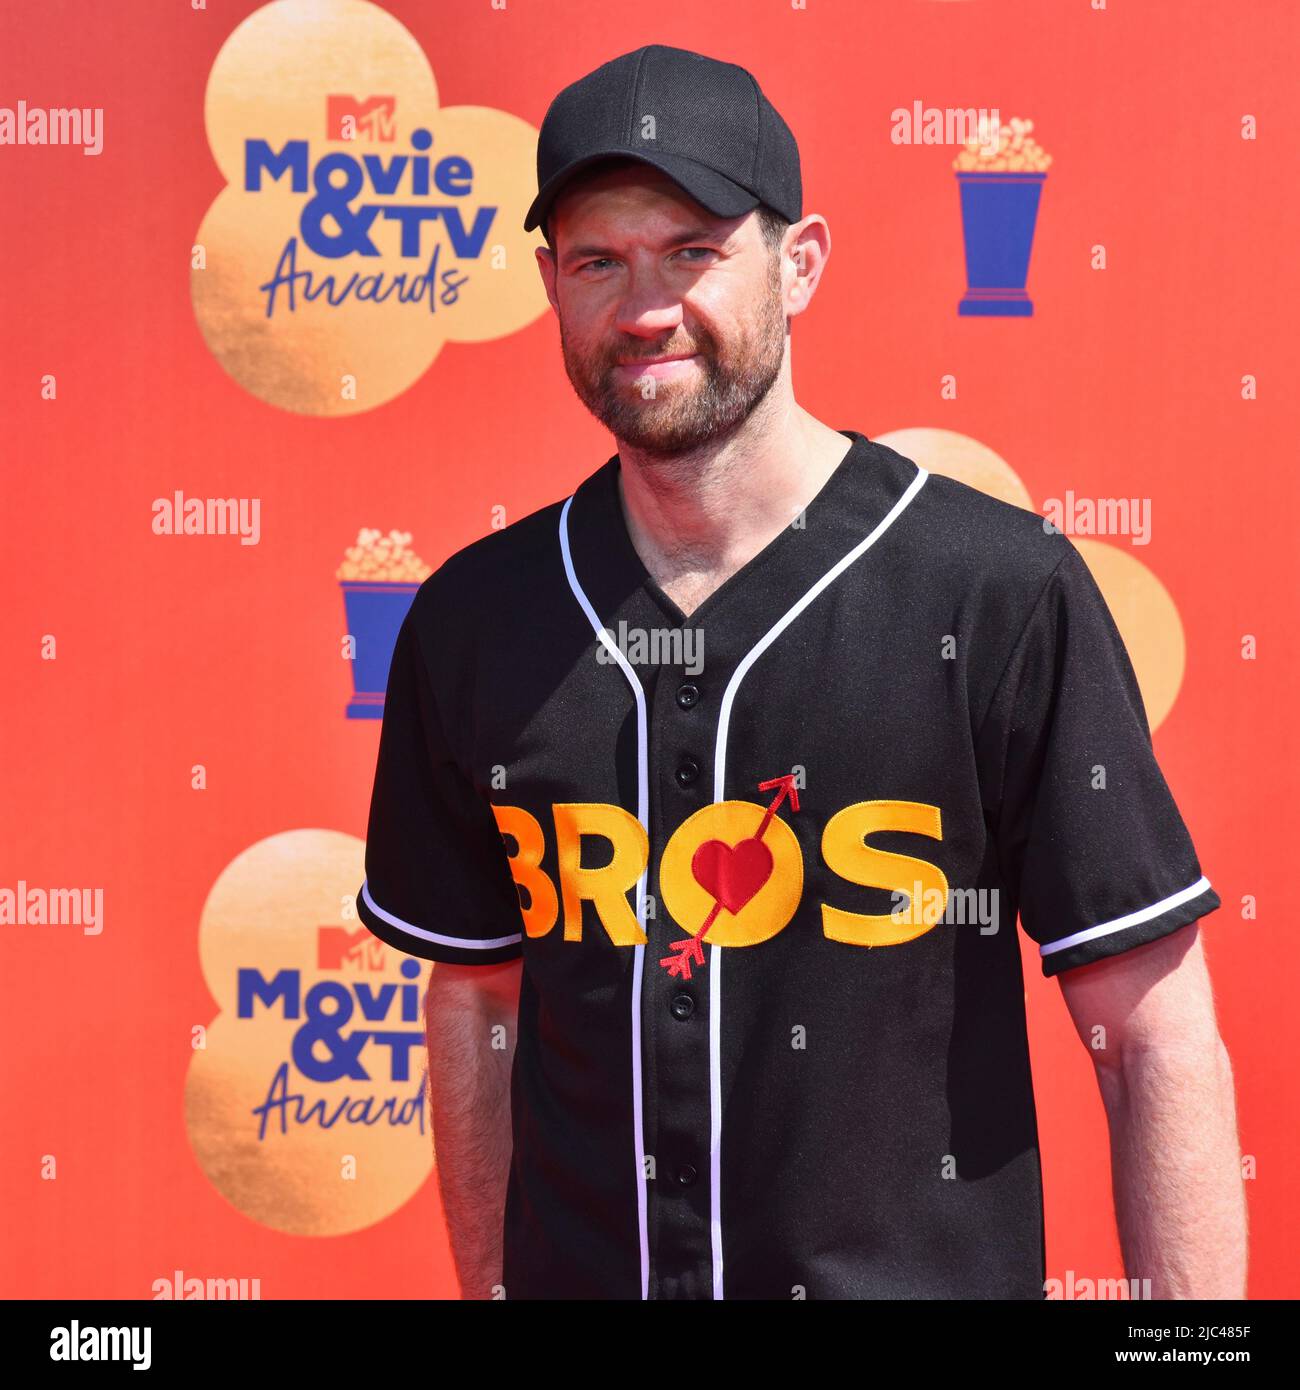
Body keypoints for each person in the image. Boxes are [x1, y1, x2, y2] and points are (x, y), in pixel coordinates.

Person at [356, 44, 1246, 1300]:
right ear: (549, 285)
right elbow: (476, 1004)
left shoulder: (996, 590)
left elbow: (1151, 1034)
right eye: (599, 261)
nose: (644, 306)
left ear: (800, 262)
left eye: (693, 250)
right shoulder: (473, 619)